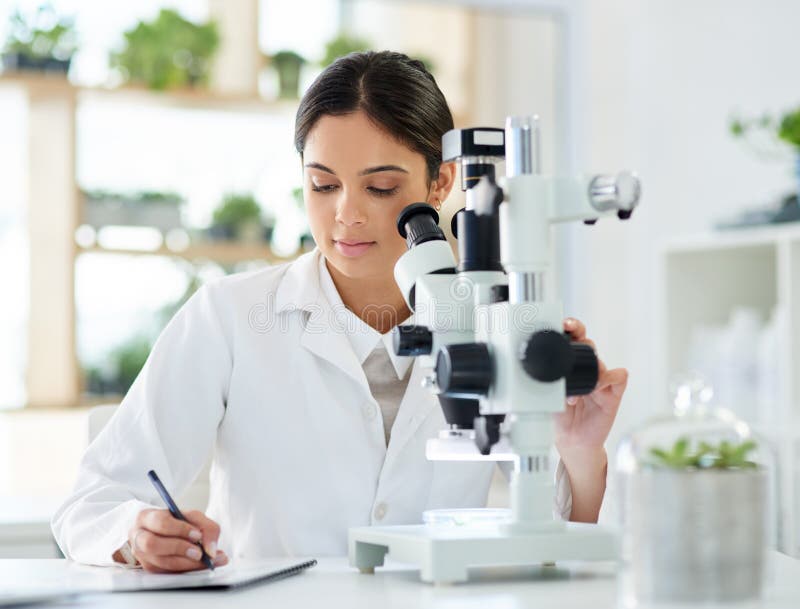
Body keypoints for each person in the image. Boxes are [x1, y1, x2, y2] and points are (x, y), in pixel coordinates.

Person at [51, 51, 628, 574]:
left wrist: (580, 449)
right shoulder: (229, 318)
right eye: (323, 185)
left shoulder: (493, 322)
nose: (346, 215)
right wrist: (136, 534)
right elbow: (89, 502)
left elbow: (559, 536)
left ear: (442, 180)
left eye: (379, 187)